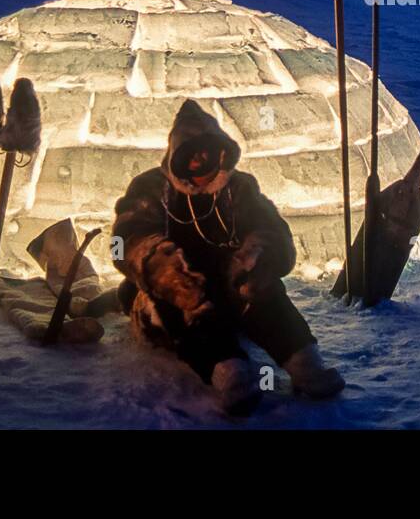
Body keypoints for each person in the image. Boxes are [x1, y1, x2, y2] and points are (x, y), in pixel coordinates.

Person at [112, 99, 344, 415]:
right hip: (179, 287)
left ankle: (304, 363)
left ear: (221, 151)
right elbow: (125, 239)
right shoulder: (150, 188)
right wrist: (161, 267)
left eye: (206, 149)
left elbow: (269, 227)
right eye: (190, 152)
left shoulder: (238, 187)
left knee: (264, 290)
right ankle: (229, 374)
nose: (199, 158)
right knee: (181, 305)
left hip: (226, 278)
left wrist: (256, 259)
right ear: (176, 155)